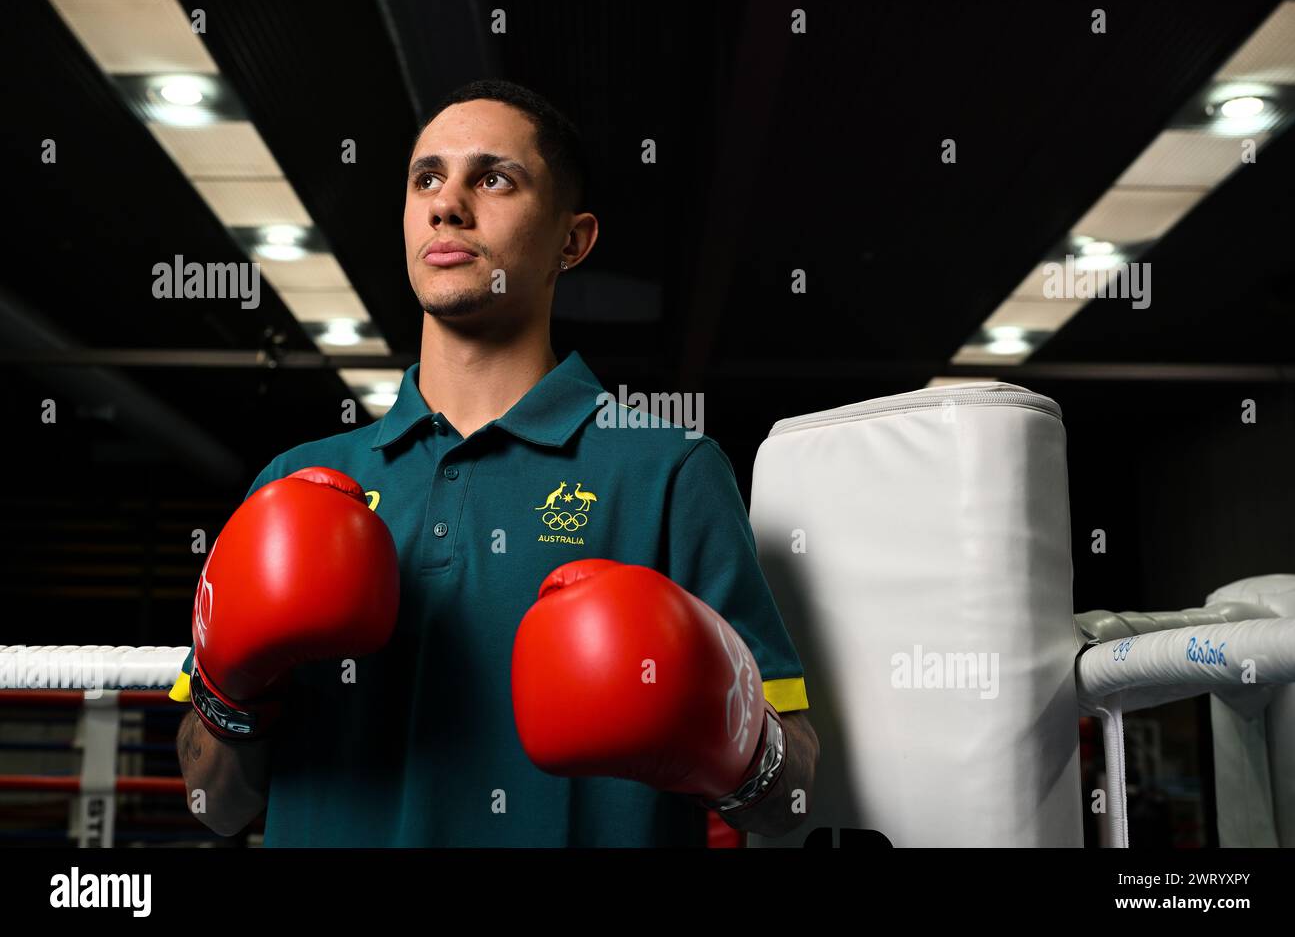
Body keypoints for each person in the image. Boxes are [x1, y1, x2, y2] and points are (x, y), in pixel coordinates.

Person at [172, 79, 817, 846]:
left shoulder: (669, 471)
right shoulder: (294, 481)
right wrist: (232, 692)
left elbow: (795, 800)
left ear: (571, 241)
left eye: (494, 178)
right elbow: (215, 807)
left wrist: (729, 737)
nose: (448, 204)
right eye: (427, 179)